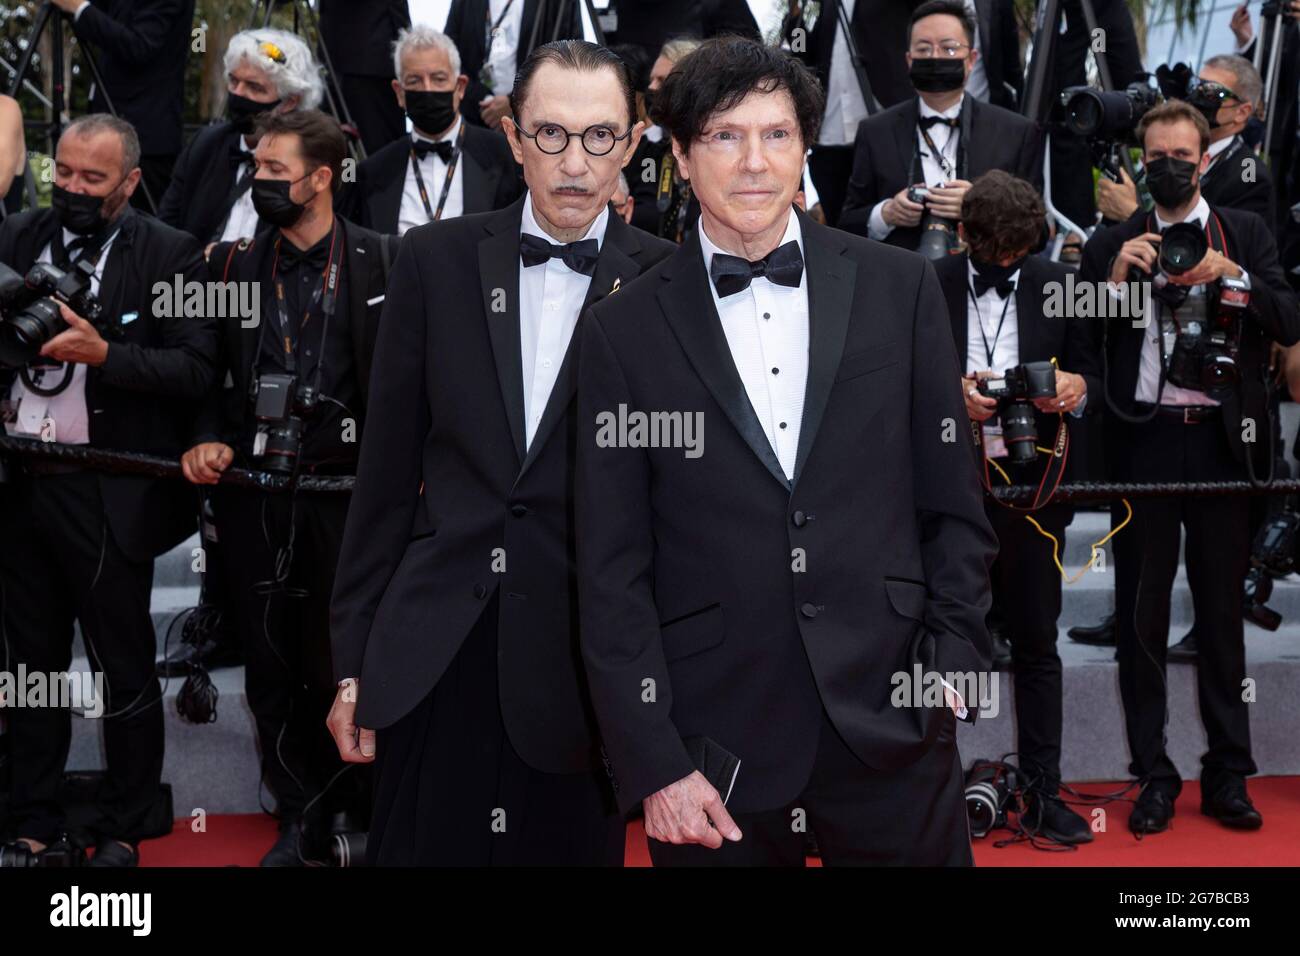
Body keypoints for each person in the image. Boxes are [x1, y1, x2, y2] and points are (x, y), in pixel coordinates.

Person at [575, 36, 996, 866]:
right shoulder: (620, 329)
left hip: (893, 722)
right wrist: (655, 761)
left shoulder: (898, 288)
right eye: (726, 137)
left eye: (776, 134)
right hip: (711, 752)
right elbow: (608, 569)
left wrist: (952, 660)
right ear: (682, 156)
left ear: (806, 149)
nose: (754, 163)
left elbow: (953, 501)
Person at [326, 40, 674, 865]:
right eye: (551, 134)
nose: (576, 162)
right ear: (513, 137)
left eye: (600, 137)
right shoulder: (433, 262)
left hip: (584, 679)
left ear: (631, 145)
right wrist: (352, 663)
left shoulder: (670, 285)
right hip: (434, 655)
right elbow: (380, 480)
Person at [179, 109, 395, 866]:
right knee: (270, 664)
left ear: (322, 177)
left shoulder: (383, 262)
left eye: (276, 171)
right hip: (256, 497)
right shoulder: (230, 266)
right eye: (257, 168)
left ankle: (358, 812)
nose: (260, 181)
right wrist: (207, 434)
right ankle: (296, 813)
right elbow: (203, 370)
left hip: (351, 499)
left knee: (342, 660)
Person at [0, 115, 217, 867]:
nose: (73, 188)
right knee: (29, 670)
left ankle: (127, 821)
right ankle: (30, 816)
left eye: (93, 178)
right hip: (20, 484)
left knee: (121, 665)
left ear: (129, 181)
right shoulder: (18, 236)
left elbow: (197, 370)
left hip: (107, 492)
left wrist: (106, 354)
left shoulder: (173, 253)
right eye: (62, 172)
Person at [1079, 100, 1300, 836]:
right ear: (1143, 163)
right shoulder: (1112, 238)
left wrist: (1231, 272)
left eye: (1182, 154)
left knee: (1221, 621)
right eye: (1156, 156)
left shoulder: (1247, 231)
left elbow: (1288, 319)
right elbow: (1076, 340)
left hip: (1220, 442)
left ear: (1205, 161)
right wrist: (1113, 280)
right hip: (1142, 443)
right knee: (1139, 624)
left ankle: (1229, 774)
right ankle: (1153, 775)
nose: (1168, 165)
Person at [932, 171, 1100, 845]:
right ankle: (931, 800)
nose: (1006, 265)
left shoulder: (1059, 284)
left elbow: (1095, 374)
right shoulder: (927, 283)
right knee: (936, 651)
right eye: (992, 253)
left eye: (1018, 254)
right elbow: (887, 376)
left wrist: (1073, 386)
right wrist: (950, 393)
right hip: (946, 489)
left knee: (1037, 645)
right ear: (963, 234)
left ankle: (1040, 792)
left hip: (1035, 491)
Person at [837, 0, 1042, 252]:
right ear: (909, 60)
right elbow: (847, 224)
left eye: (949, 49)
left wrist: (982, 207)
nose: (935, 57)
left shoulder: (1016, 133)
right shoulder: (875, 131)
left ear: (971, 59)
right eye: (923, 50)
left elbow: (1039, 232)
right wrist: (886, 214)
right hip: (900, 279)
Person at [343, 25, 523, 235]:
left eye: (438, 79)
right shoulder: (372, 173)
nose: (427, 89)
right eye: (414, 80)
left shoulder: (507, 158)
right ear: (399, 93)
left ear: (460, 87)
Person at [158, 29, 323, 246]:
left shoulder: (309, 164)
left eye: (255, 87)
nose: (238, 93)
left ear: (290, 101)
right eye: (234, 81)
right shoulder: (205, 145)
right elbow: (165, 231)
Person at [54, 0, 196, 208]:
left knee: (142, 229)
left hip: (145, 139)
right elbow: (101, 25)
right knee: (89, 217)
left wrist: (79, 7)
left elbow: (138, 46)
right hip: (107, 127)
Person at [444, 0, 582, 129]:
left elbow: (570, 58)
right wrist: (484, 100)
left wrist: (514, 103)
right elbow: (448, 56)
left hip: (534, 122)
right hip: (474, 118)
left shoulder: (558, 4)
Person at [318, 0, 412, 154]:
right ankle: (349, 178)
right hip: (336, 61)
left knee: (381, 152)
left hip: (372, 64)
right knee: (340, 153)